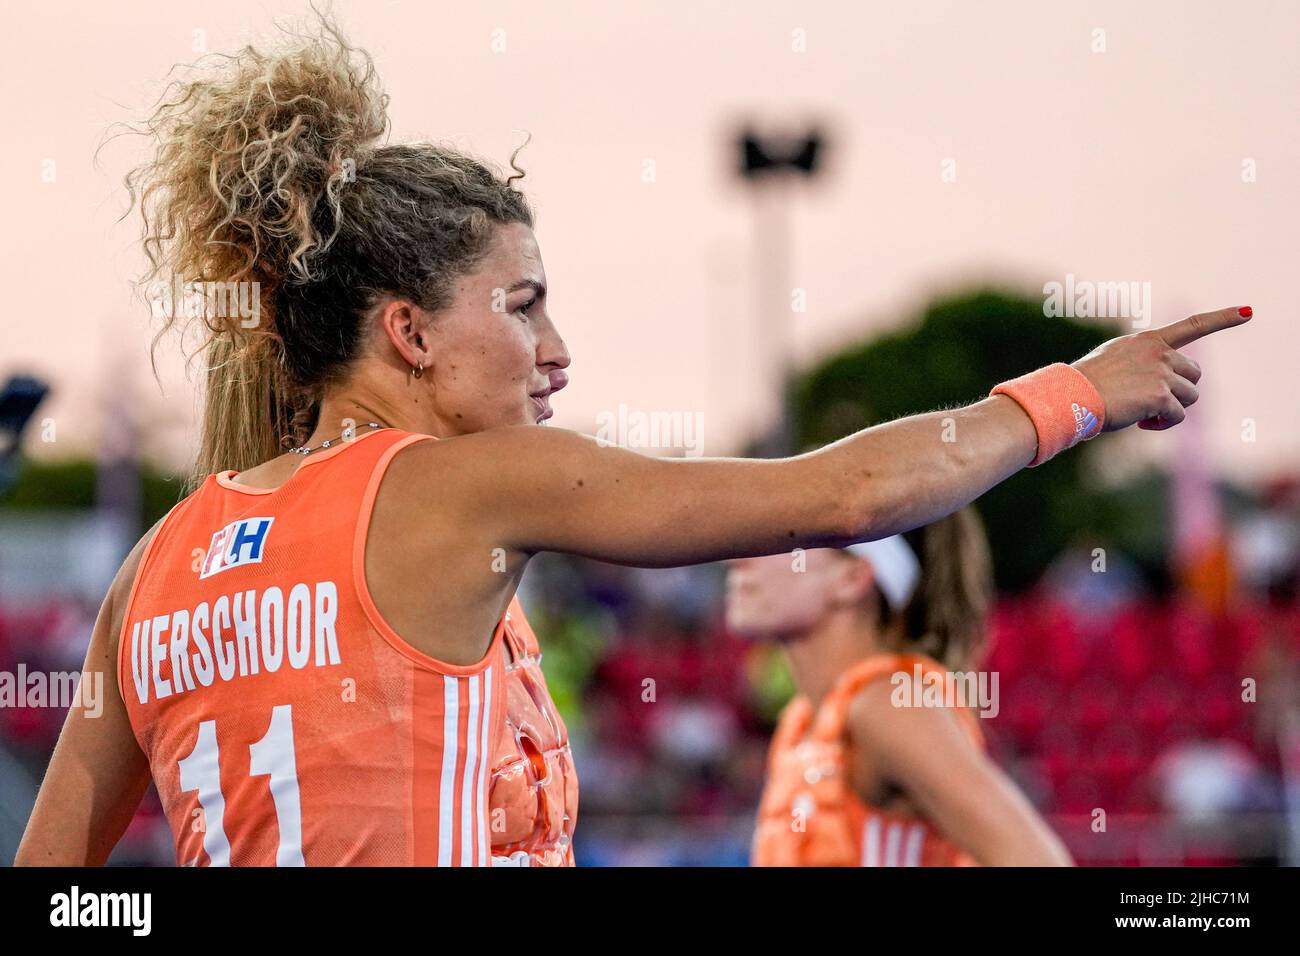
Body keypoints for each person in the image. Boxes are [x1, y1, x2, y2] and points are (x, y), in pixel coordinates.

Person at [16, 18, 1249, 866]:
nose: (557, 349)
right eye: (521, 302)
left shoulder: (153, 566)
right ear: (407, 333)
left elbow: (64, 881)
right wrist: (1076, 393)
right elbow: (853, 489)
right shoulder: (462, 490)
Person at [730, 509, 1071, 865]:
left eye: (783, 540)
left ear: (853, 576)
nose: (739, 561)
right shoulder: (801, 723)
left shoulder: (887, 703)